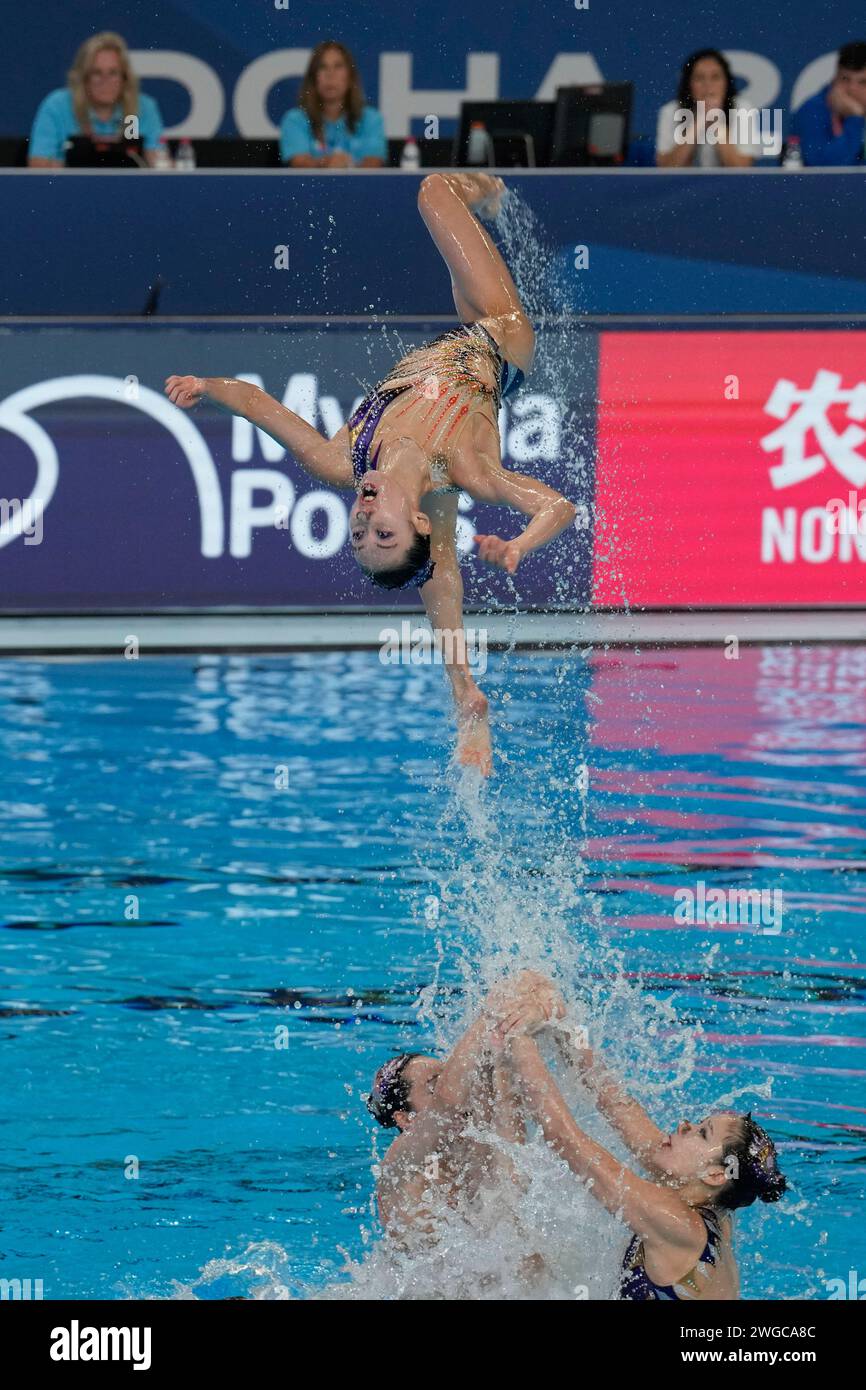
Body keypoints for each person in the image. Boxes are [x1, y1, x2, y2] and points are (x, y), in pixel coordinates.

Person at [166, 173, 576, 776]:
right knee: (436, 190)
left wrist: (207, 387)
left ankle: (464, 693)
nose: (362, 523)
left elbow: (257, 404)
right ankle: (495, 190)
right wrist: (518, 545)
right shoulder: (466, 466)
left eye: (358, 536)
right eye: (381, 534)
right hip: (501, 333)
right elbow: (559, 507)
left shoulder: (342, 460)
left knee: (438, 572)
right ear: (408, 518)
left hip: (452, 339)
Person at [503, 987, 788, 1301]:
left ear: (716, 1174)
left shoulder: (674, 1222)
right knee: (527, 1260)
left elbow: (563, 1136)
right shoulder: (705, 1194)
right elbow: (615, 1101)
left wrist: (515, 1031)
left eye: (701, 1133)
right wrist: (560, 1020)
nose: (685, 1125)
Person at [367, 972, 562, 1249]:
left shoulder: (476, 1144)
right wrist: (495, 1010)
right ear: (406, 1119)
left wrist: (531, 1005)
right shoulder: (401, 1163)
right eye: (435, 1085)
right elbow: (447, 1106)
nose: (456, 1086)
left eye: (450, 1076)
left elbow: (496, 1081)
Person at [28, 31, 163, 169]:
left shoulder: (143, 108)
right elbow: (38, 166)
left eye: (113, 73)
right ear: (83, 78)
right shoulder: (57, 106)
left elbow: (158, 165)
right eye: (97, 73)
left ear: (125, 78)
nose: (106, 81)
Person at [280, 41, 386, 168]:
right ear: (314, 78)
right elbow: (299, 163)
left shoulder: (371, 118)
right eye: (322, 67)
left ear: (350, 76)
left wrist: (346, 165)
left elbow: (374, 164)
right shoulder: (295, 119)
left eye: (338, 66)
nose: (330, 74)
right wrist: (327, 163)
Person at [656, 49, 763, 168]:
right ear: (689, 84)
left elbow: (741, 168)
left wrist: (717, 122)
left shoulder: (742, 109)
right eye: (699, 78)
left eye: (715, 77)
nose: (707, 84)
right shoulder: (670, 111)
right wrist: (698, 122)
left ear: (726, 83)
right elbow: (667, 168)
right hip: (684, 186)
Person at [792, 41, 866, 166]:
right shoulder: (813, 109)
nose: (852, 89)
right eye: (845, 79)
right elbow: (824, 167)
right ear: (834, 78)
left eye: (863, 82)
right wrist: (855, 118)